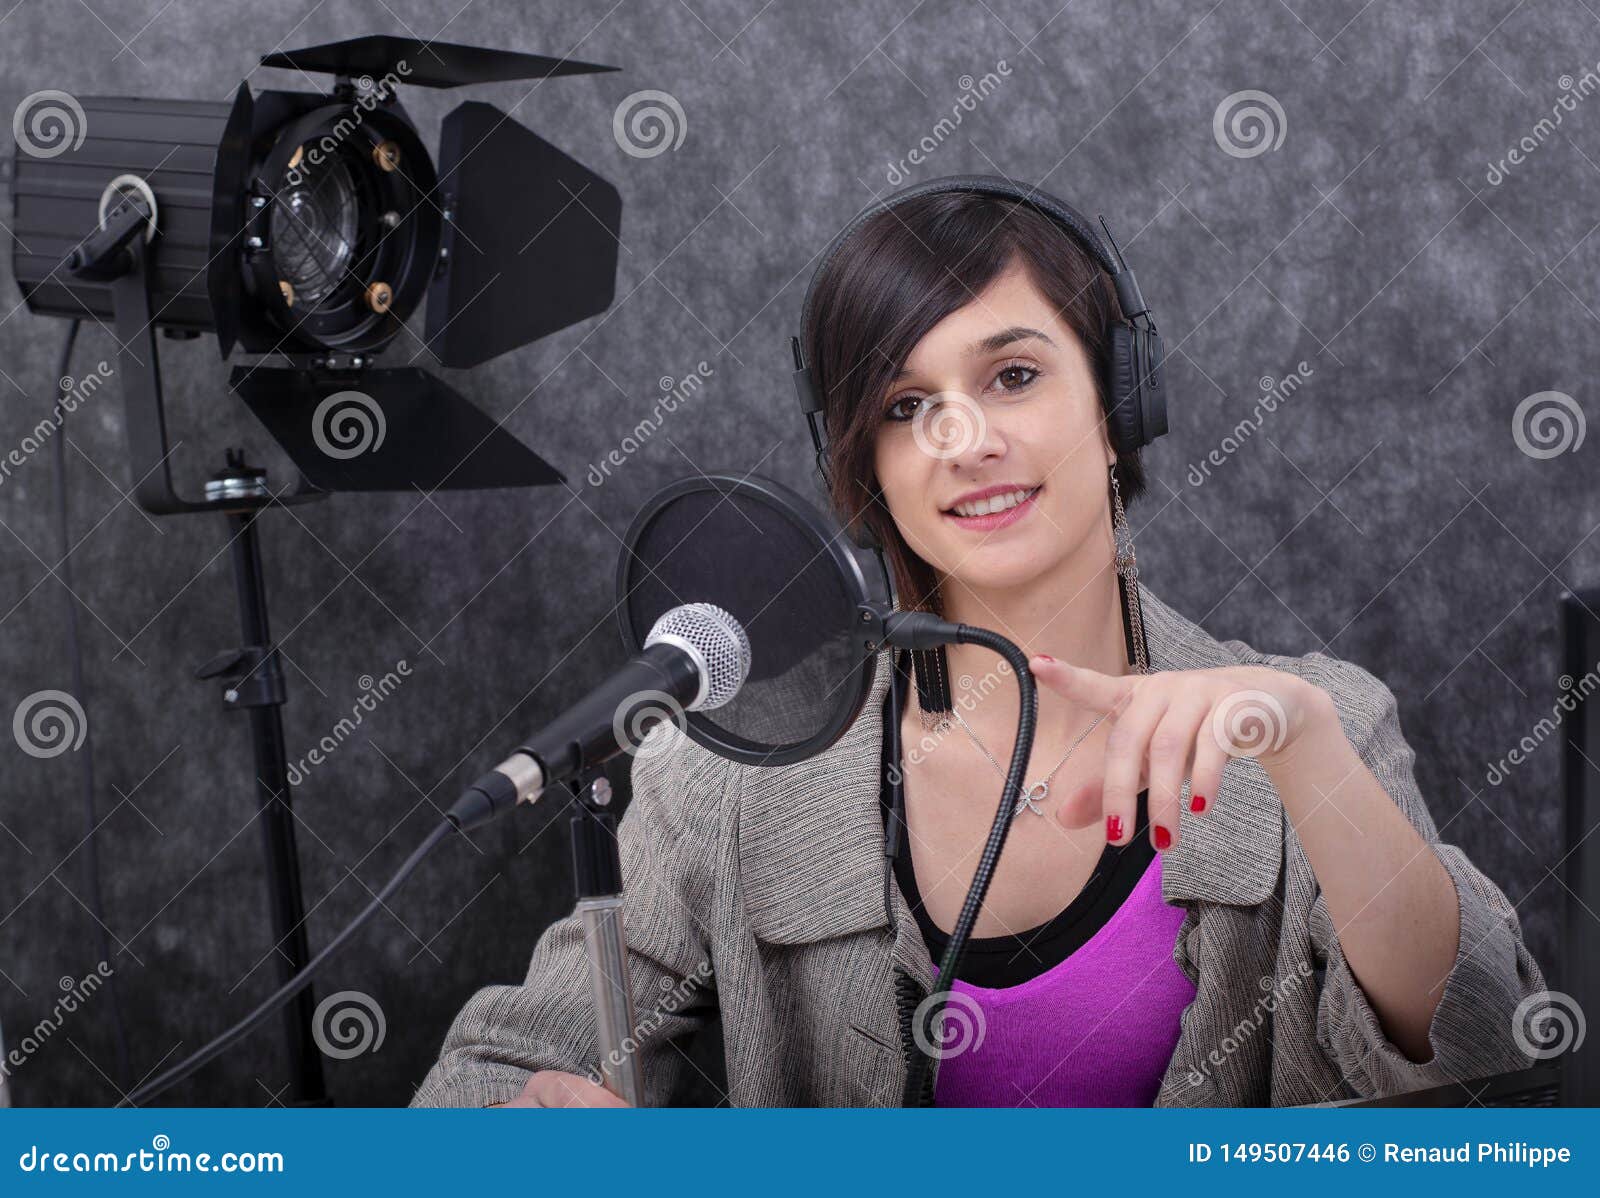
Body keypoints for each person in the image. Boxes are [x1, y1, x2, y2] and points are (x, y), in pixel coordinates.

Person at [411, 180, 1547, 1108]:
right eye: (904, 405)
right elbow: (484, 1078)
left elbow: (1494, 1059)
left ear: (1117, 403)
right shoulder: (725, 776)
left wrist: (1306, 760)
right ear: (864, 466)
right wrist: (530, 1115)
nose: (962, 438)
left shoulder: (1320, 727)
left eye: (1011, 375)